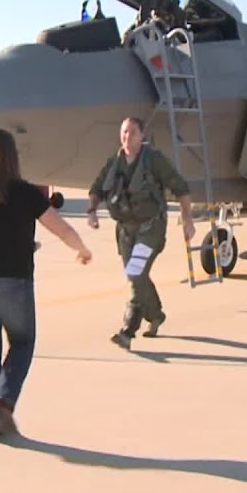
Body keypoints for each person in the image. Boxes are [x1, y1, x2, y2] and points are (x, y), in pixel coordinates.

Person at [0, 128, 93, 441]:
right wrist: (81, 249)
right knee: (23, 342)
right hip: (13, 282)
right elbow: (60, 228)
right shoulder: (25, 193)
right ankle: (4, 399)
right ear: (13, 159)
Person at [86, 117, 195, 348]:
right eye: (124, 132)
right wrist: (92, 211)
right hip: (126, 231)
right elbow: (96, 188)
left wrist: (188, 220)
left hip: (150, 228)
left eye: (132, 133)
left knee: (135, 273)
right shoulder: (114, 163)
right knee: (137, 276)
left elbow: (180, 187)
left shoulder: (154, 160)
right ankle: (156, 315)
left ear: (142, 136)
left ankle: (127, 331)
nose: (127, 137)